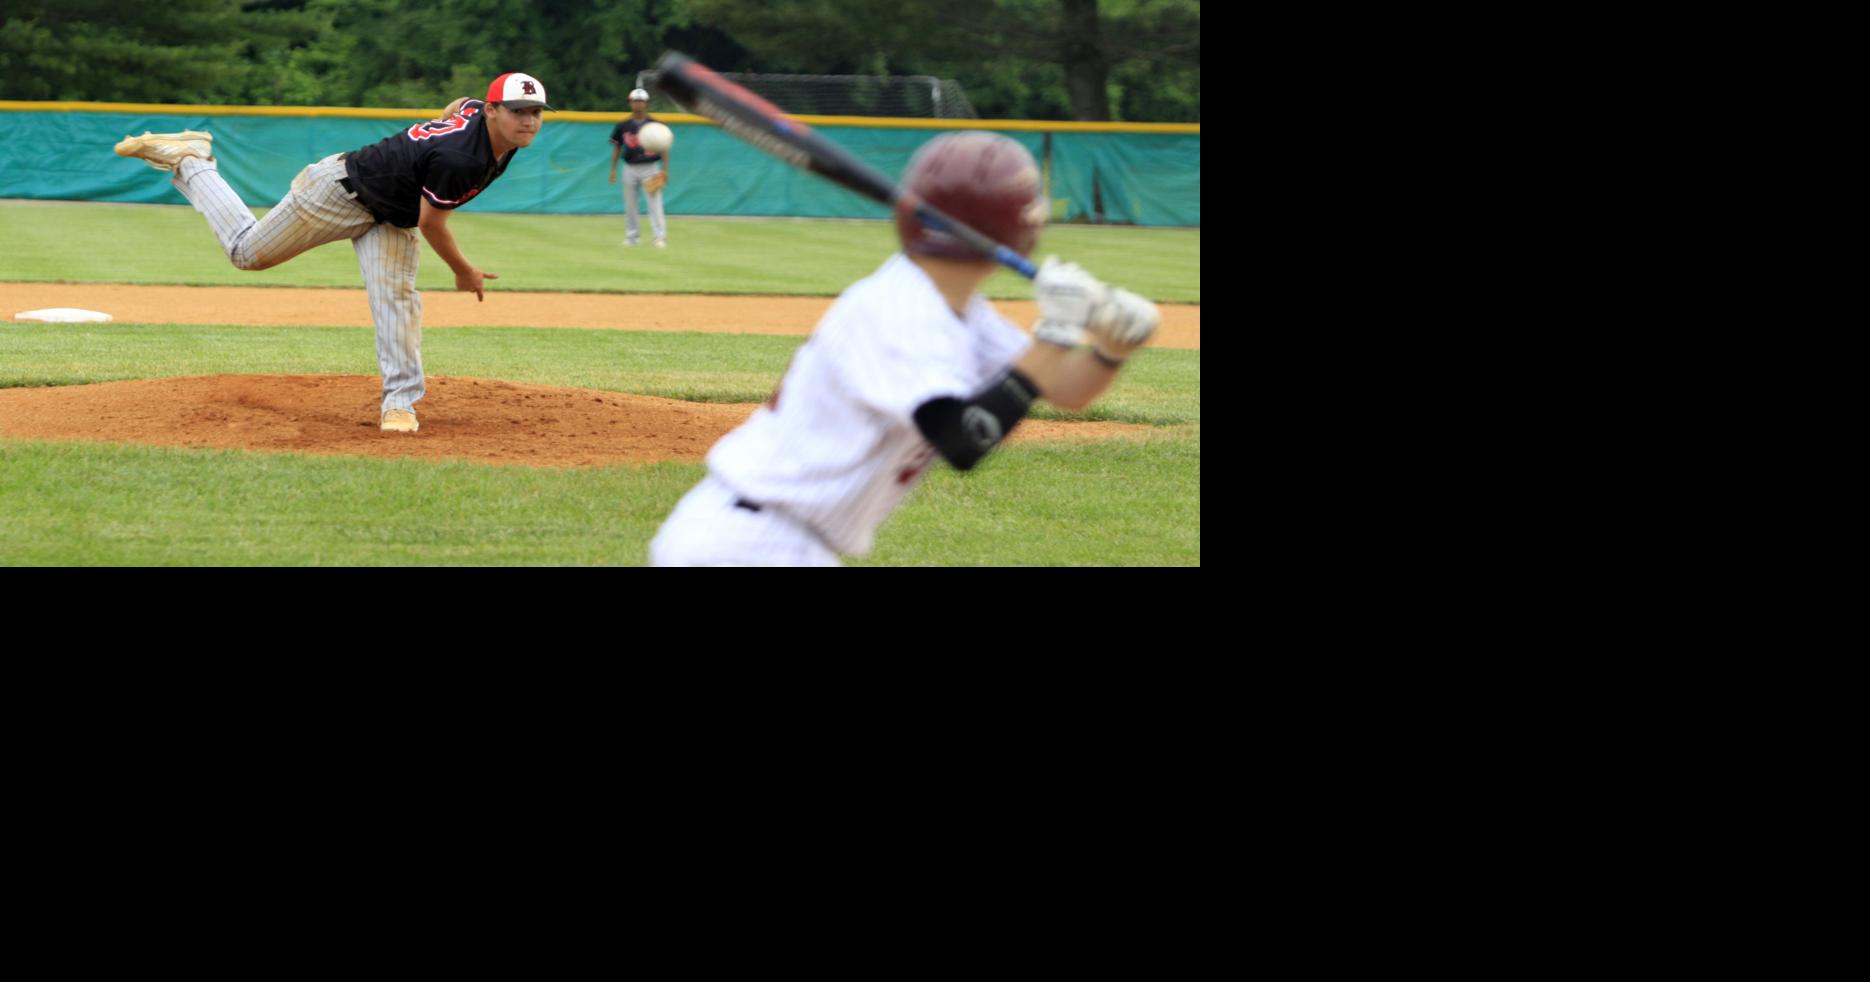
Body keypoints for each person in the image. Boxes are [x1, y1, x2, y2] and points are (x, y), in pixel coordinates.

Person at [648, 130, 1159, 567]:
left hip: (781, 541)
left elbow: (1061, 387)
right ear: (1018, 226)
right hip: (747, 545)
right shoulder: (900, 310)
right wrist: (1058, 332)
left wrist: (1110, 348)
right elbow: (963, 439)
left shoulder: (960, 310)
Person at [112, 72, 553, 433]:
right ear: (494, 111)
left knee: (396, 299)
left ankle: (400, 405)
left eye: (535, 112)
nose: (528, 120)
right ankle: (193, 160)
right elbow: (432, 223)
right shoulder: (462, 159)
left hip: (389, 215)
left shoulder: (487, 120)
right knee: (247, 253)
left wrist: (446, 120)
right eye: (518, 111)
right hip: (341, 192)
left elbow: (463, 103)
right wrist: (464, 270)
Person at [608, 87, 669, 248]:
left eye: (641, 101)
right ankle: (632, 237)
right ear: (630, 102)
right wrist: (613, 169)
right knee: (630, 204)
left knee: (654, 203)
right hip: (630, 167)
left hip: (651, 167)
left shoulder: (656, 124)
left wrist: (664, 169)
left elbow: (664, 147)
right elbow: (617, 148)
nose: (638, 104)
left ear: (647, 103)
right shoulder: (623, 125)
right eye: (635, 101)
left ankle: (659, 237)